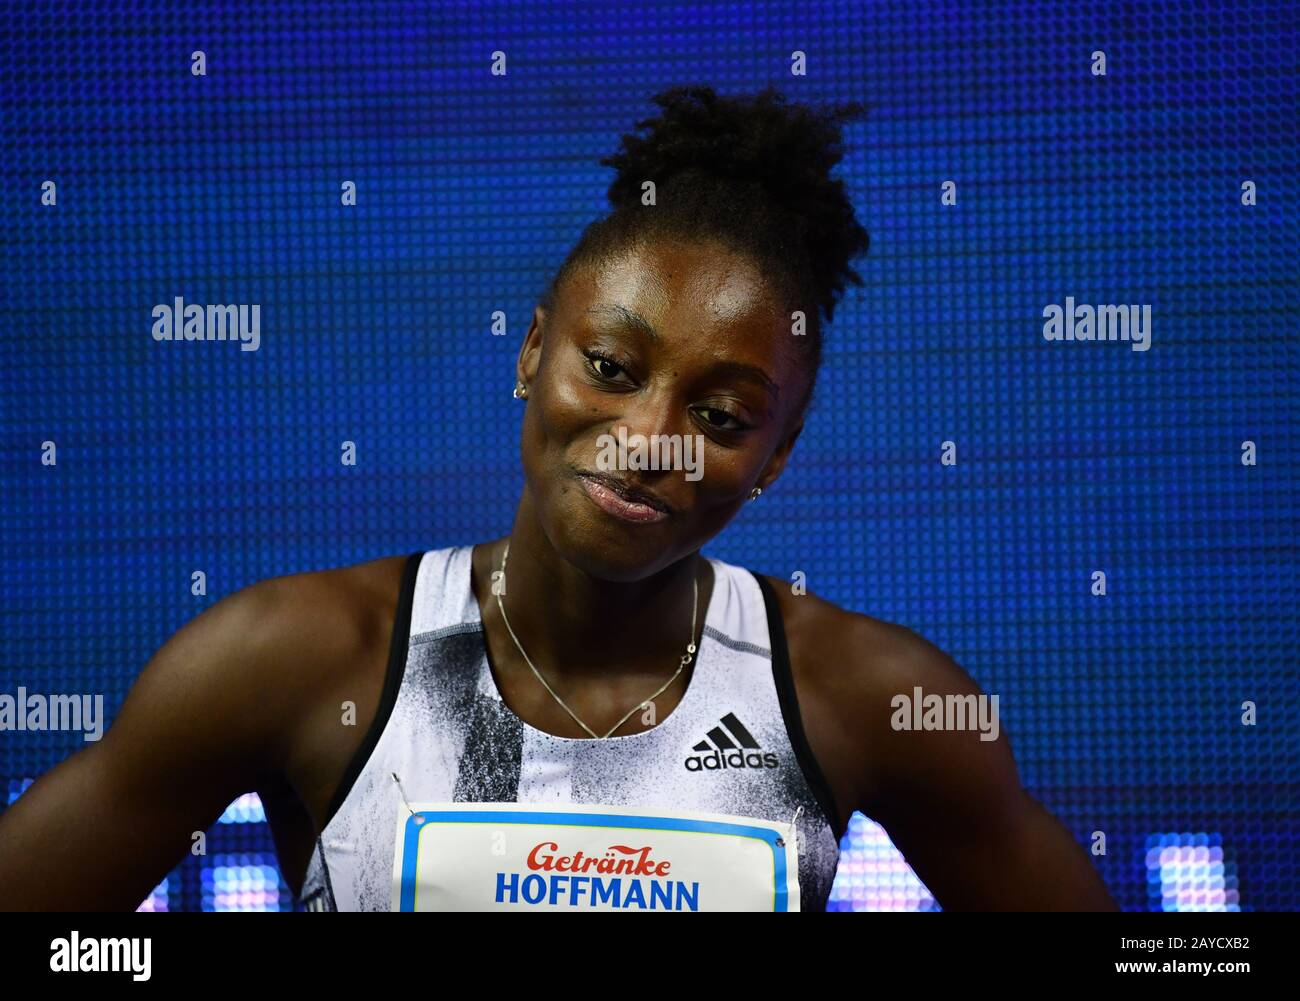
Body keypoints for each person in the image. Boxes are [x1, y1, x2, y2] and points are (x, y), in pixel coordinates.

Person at [0, 85, 1116, 911]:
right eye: (614, 369)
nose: (648, 441)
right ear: (534, 350)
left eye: (723, 417)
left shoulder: (862, 695)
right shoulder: (299, 655)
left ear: (776, 454)